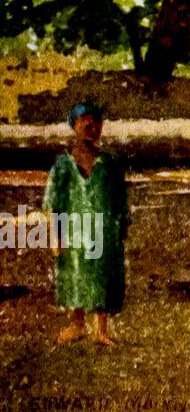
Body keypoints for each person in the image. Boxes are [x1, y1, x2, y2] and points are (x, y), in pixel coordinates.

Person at [44, 101, 130, 346]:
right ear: (75, 127)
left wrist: (122, 226)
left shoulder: (110, 164)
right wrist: (55, 234)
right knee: (74, 274)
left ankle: (101, 330)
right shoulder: (63, 165)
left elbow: (120, 200)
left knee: (103, 276)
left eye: (96, 123)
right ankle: (77, 324)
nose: (92, 128)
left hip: (104, 230)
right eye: (86, 123)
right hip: (73, 230)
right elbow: (54, 201)